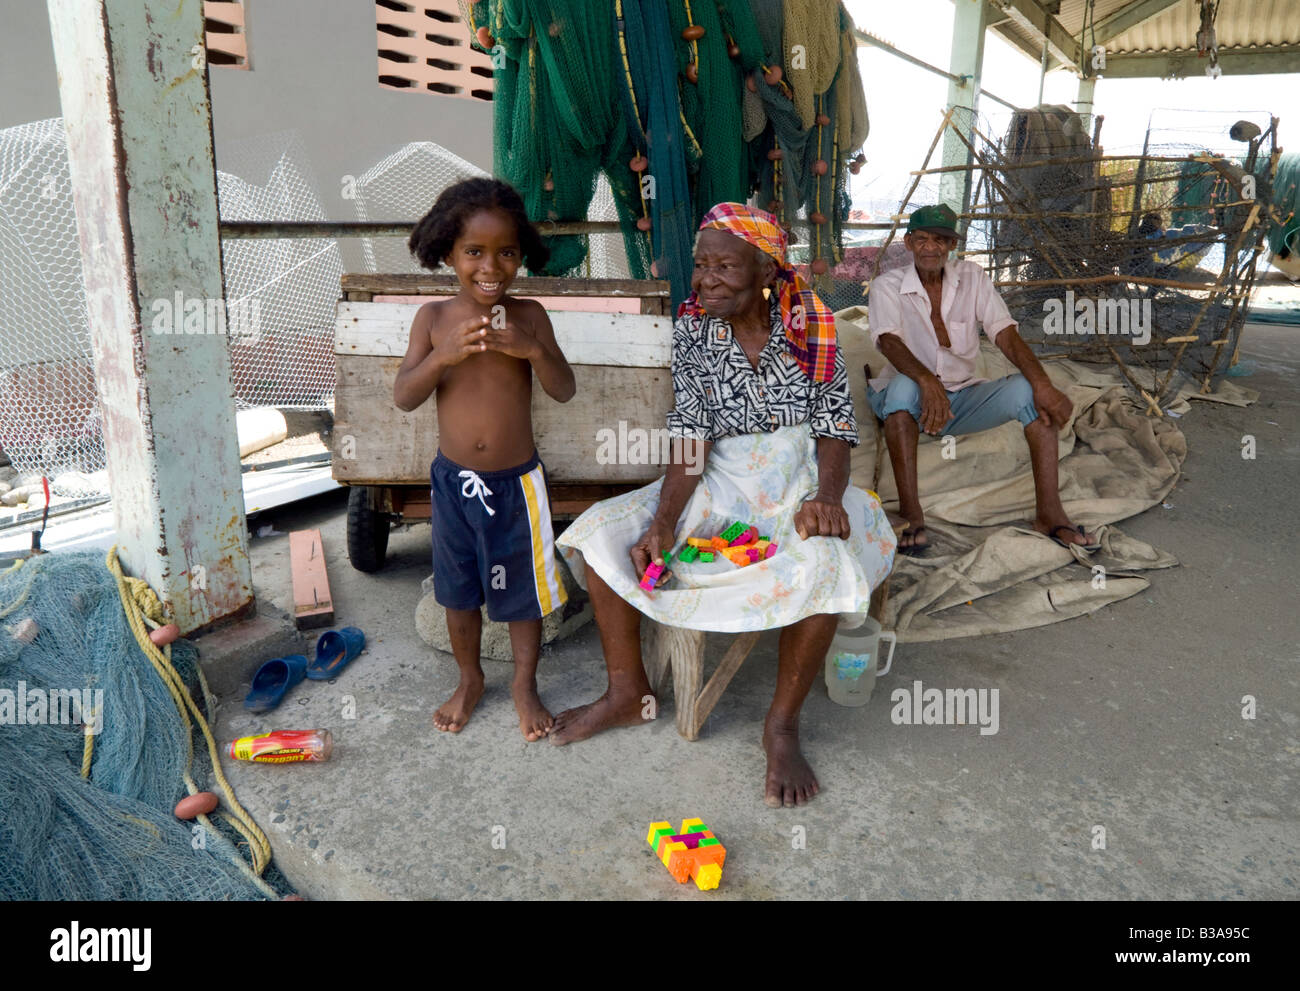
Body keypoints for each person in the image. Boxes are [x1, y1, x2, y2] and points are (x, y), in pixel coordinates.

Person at [552, 203, 896, 808]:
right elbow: (690, 439)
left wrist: (826, 498)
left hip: (798, 475)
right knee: (595, 533)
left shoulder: (811, 324)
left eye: (725, 267)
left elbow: (834, 429)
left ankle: (781, 726)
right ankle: (626, 692)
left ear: (765, 270)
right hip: (723, 475)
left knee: (825, 562)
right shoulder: (695, 328)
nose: (707, 279)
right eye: (700, 265)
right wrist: (662, 521)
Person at [394, 178, 576, 740]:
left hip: (516, 485)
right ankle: (469, 679)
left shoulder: (531, 315)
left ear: (522, 255)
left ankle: (524, 683)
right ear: (448, 252)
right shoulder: (432, 318)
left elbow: (563, 389)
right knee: (457, 588)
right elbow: (405, 395)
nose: (490, 265)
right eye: (474, 251)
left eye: (506, 252)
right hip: (454, 484)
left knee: (522, 592)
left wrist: (532, 350)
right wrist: (442, 357)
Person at [866, 203, 1096, 554]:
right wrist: (928, 383)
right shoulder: (887, 285)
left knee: (1028, 392)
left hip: (960, 398)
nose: (932, 247)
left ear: (952, 245)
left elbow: (1004, 332)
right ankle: (912, 512)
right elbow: (888, 341)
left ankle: (1050, 513)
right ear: (909, 243)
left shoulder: (972, 277)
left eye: (941, 240)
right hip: (909, 399)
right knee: (901, 386)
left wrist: (1043, 384)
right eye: (923, 239)